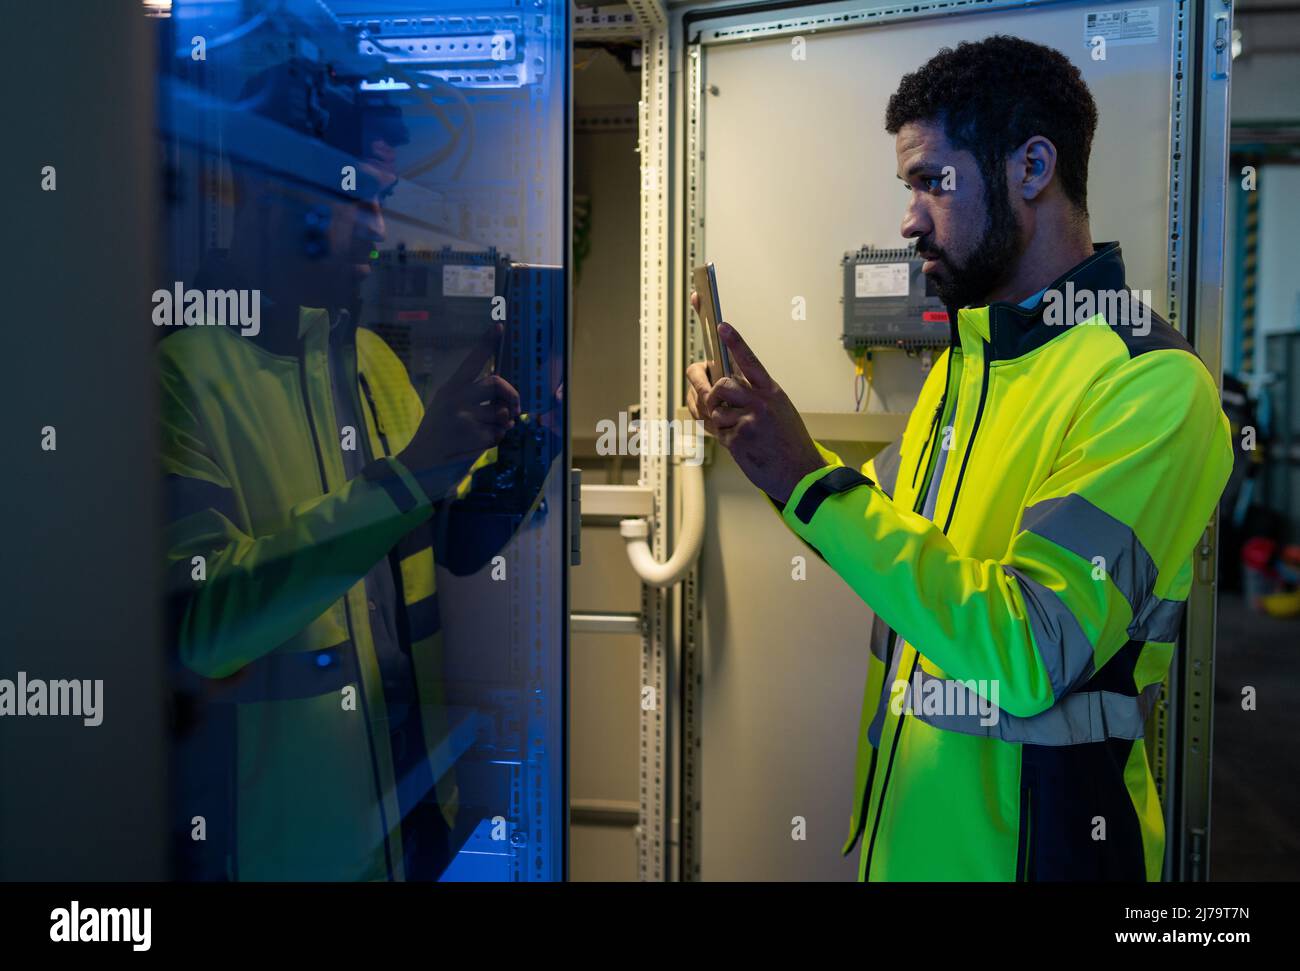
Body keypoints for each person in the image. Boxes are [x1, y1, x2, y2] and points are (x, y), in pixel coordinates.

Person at [686, 35, 1233, 881]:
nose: (908, 218)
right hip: (906, 848)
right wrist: (773, 460)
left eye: (930, 180)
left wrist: (807, 479)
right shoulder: (965, 364)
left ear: (1031, 166)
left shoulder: (1154, 388)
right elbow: (880, 537)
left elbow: (1030, 650)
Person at [162, 61, 555, 880]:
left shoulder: (367, 358)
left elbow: (439, 541)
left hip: (411, 814)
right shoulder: (181, 377)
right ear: (273, 197)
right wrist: (412, 473)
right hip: (289, 846)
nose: (380, 227)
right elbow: (203, 626)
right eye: (358, 199)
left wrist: (531, 444)